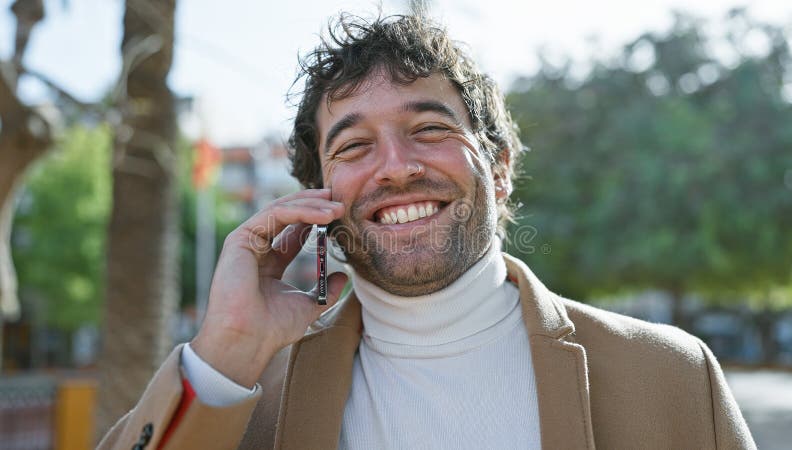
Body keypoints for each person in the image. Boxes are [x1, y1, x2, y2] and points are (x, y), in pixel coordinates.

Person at [98, 13, 756, 450]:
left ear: (498, 169)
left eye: (430, 130)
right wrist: (224, 354)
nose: (397, 168)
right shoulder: (242, 397)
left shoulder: (671, 376)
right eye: (354, 146)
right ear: (317, 200)